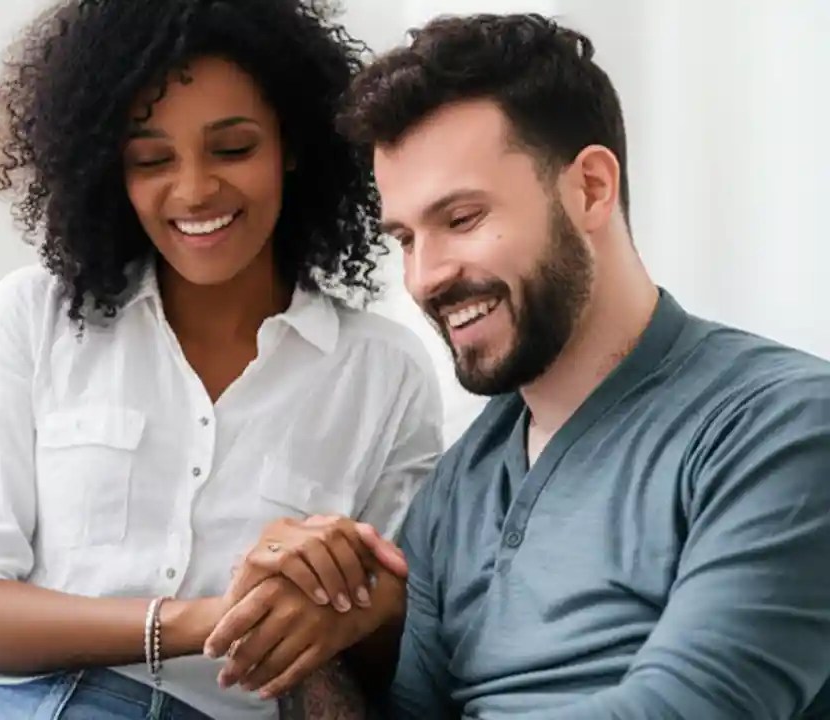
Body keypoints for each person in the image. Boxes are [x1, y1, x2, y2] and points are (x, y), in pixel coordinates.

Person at [210, 12, 830, 719]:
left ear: (590, 188)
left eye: (462, 219)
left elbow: (689, 707)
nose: (425, 277)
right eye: (406, 238)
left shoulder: (782, 426)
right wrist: (311, 620)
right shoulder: (460, 485)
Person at [0, 2, 444, 718]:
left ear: (292, 144)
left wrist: (340, 597)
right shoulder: (34, 316)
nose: (193, 190)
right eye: (152, 160)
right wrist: (197, 621)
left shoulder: (385, 374)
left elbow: (395, 651)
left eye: (232, 149)